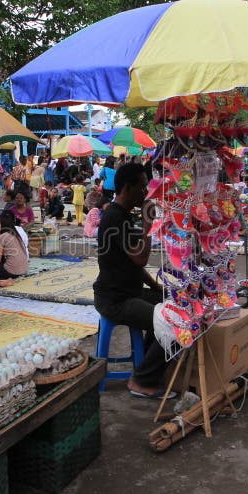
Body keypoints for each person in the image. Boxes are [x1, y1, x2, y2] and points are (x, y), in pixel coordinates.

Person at [93, 163, 172, 399]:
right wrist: (148, 225)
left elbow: (132, 264)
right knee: (173, 323)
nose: (145, 193)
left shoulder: (123, 216)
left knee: (171, 304)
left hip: (128, 292)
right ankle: (141, 381)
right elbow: (140, 258)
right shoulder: (115, 218)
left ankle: (146, 365)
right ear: (127, 188)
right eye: (142, 187)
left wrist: (156, 287)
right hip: (116, 300)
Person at [0, 210, 29, 284]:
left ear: (3, 224)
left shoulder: (2, 237)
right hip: (24, 269)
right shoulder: (15, 234)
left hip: (11, 272)